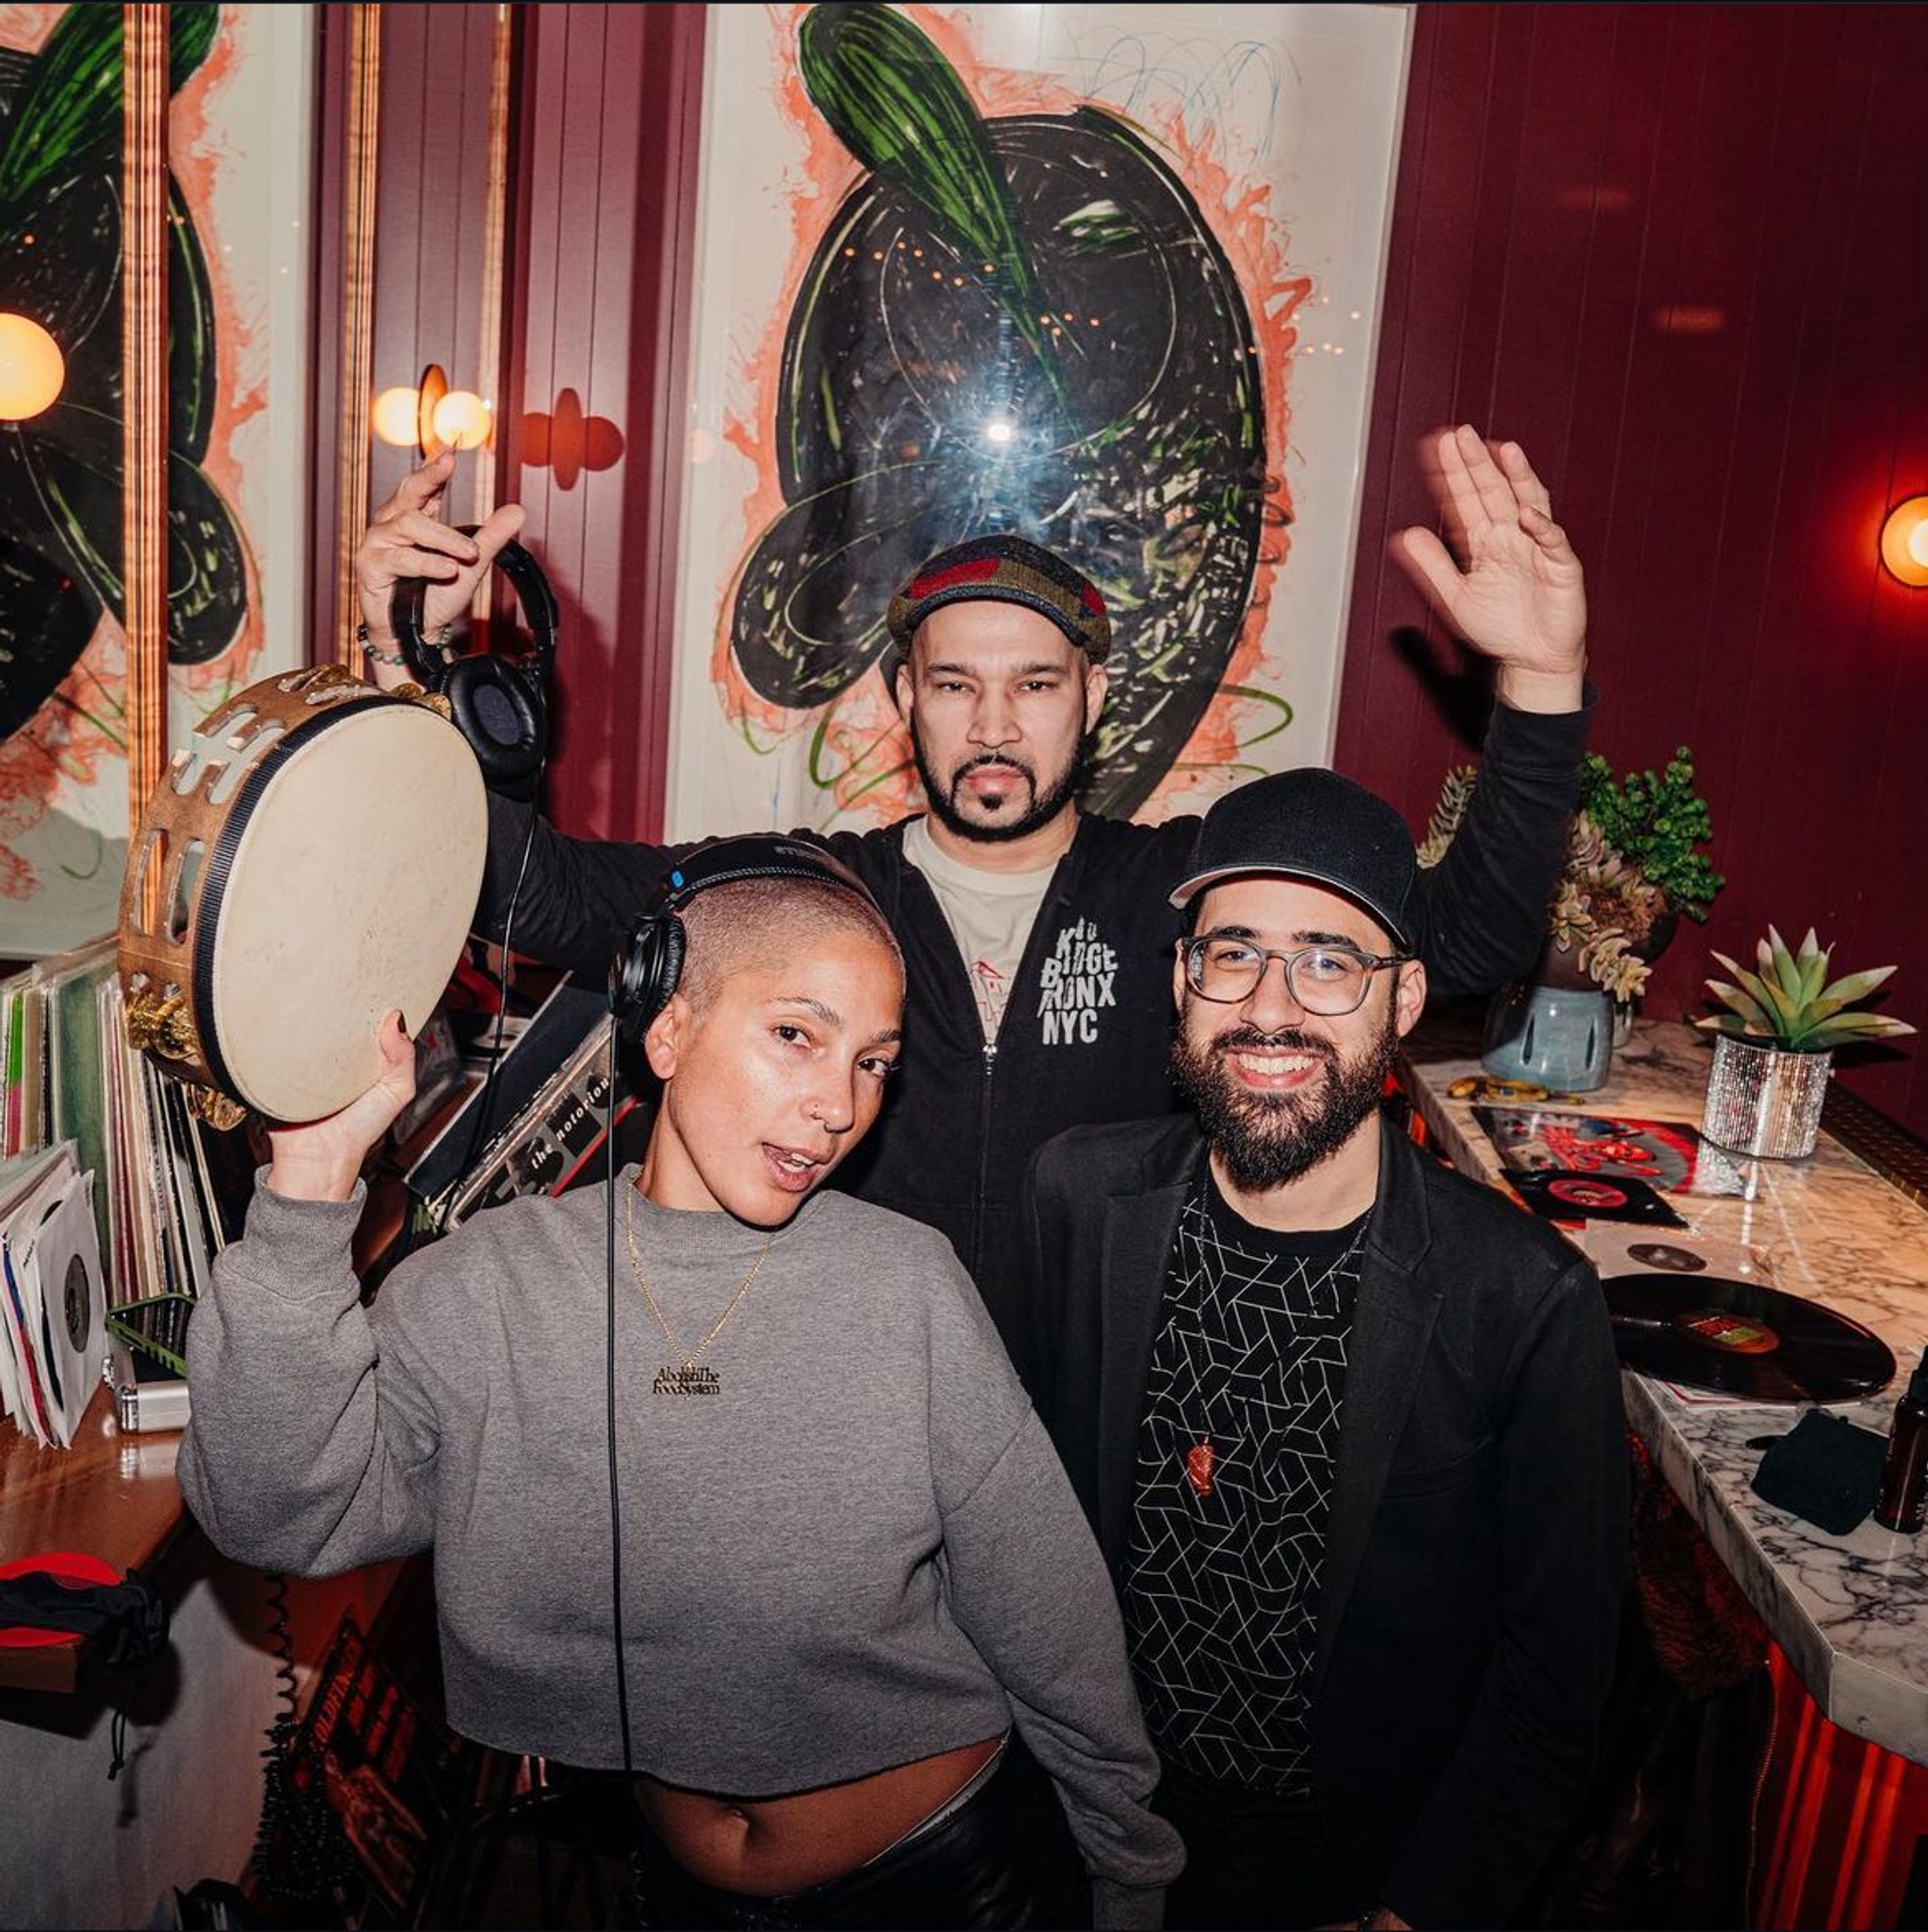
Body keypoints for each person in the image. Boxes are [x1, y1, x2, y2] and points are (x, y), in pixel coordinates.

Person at [353, 424, 1594, 1349]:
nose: (993, 723)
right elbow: (539, 896)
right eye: (953, 684)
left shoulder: (1188, 892)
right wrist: (412, 675)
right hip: (855, 1418)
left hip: (1109, 1436)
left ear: (1092, 700)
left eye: (1036, 684)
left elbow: (1470, 936)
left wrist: (1541, 683)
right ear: (905, 702)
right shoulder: (808, 896)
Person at [176, 841, 1184, 1930]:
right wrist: (308, 1192)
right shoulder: (483, 1287)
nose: (838, 1105)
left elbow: (1049, 1614)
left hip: (941, 1878)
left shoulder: (904, 1284)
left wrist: (1129, 1878)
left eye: (872, 1062)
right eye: (796, 1035)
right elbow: (275, 1512)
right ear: (666, 1029)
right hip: (668, 1890)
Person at [1015, 769, 1631, 1931]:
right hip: (1086, 1829)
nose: (1269, 1007)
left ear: (1400, 1002)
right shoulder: (1078, 1197)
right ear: (1184, 981)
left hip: (1341, 1874)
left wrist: (1412, 1913)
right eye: (1231, 953)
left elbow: (1553, 1683)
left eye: (1328, 962)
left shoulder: (1521, 1299)